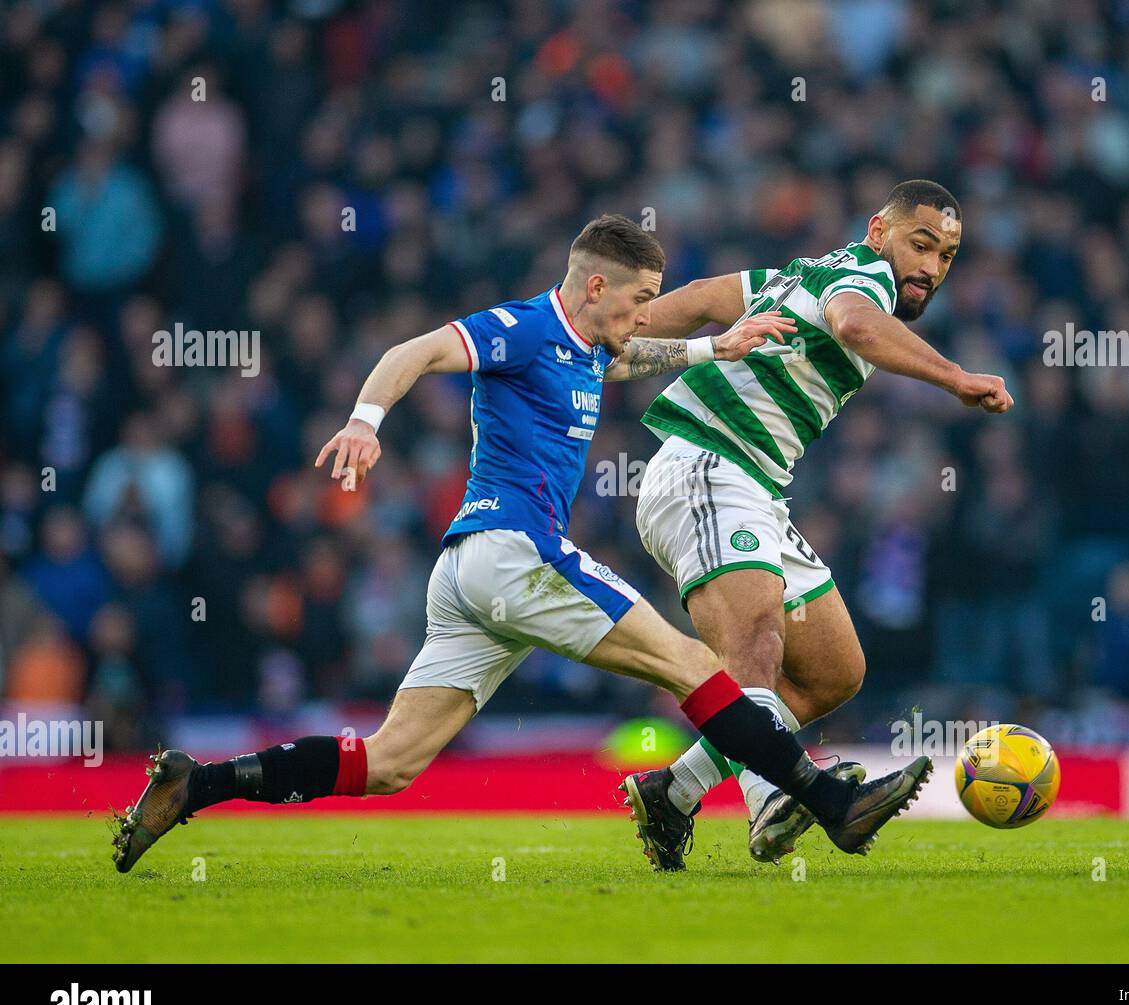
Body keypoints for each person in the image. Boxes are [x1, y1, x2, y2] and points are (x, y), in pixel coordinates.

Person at [111, 214, 933, 875]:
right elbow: (418, 350)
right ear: (596, 283)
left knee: (391, 761)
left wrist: (712, 346)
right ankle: (827, 801)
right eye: (639, 296)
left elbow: (626, 354)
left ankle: (196, 785)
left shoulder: (581, 344)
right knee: (696, 669)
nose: (646, 312)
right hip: (517, 552)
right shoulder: (526, 326)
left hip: (468, 573)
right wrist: (366, 421)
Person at [623, 182, 1012, 867]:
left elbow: (711, 296)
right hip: (707, 464)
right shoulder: (862, 279)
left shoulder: (794, 278)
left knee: (834, 670)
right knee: (757, 641)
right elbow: (857, 325)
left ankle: (672, 792)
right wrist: (955, 378)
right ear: (877, 231)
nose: (931, 266)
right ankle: (773, 796)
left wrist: (620, 328)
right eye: (920, 244)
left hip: (756, 486)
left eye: (947, 254)